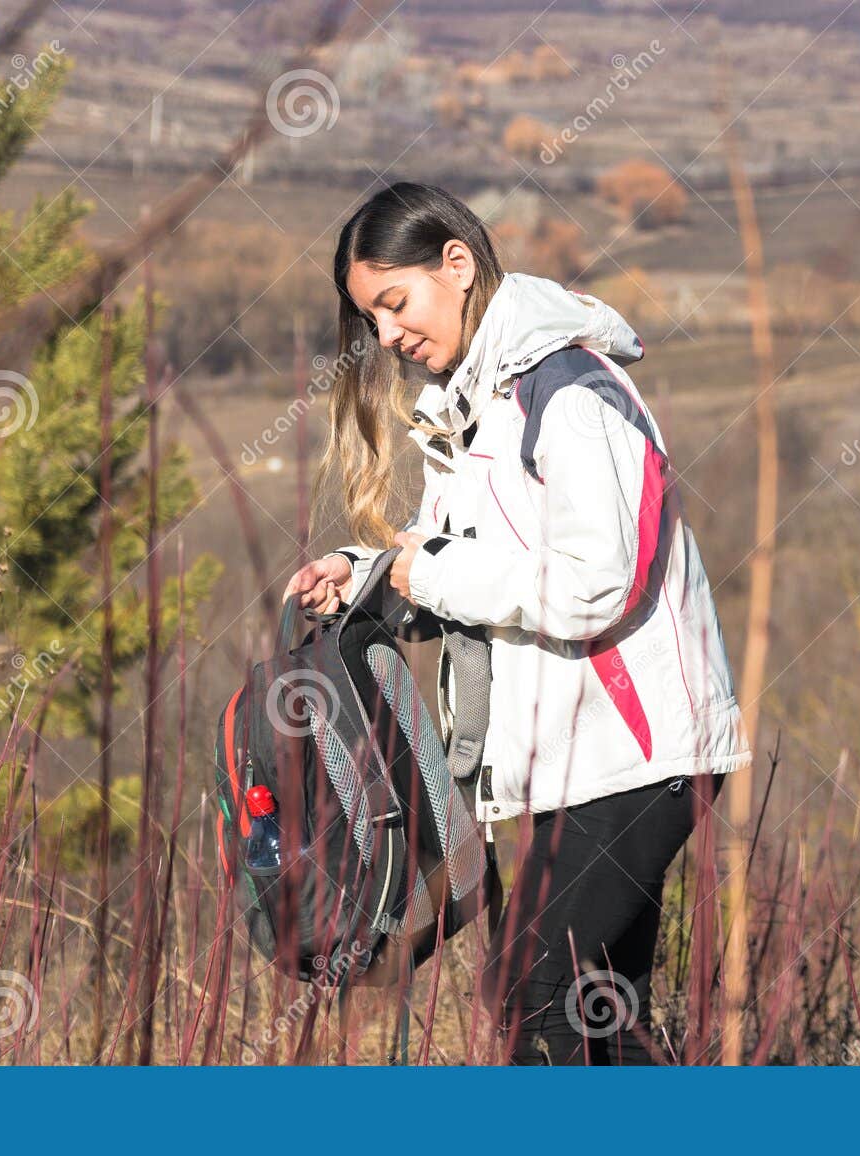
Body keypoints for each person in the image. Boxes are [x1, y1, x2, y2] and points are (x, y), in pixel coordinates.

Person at [283, 181, 751, 1064]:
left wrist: (431, 569)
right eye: (371, 319)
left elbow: (592, 585)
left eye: (394, 303)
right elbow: (463, 553)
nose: (386, 337)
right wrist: (371, 572)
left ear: (456, 265)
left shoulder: (567, 393)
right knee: (599, 1015)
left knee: (533, 996)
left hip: (636, 754)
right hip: (582, 758)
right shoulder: (485, 402)